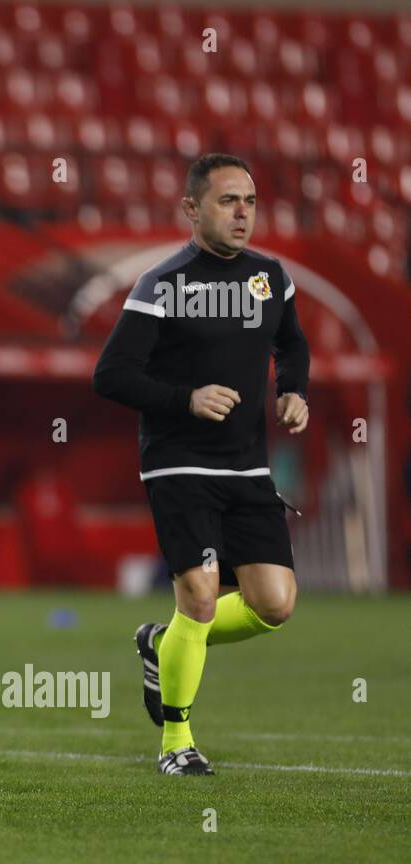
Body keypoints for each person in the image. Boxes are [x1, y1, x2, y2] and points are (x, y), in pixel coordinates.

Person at [93, 153, 310, 775]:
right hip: (178, 461)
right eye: (227, 201)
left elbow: (292, 342)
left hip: (246, 466)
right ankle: (177, 743)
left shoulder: (271, 278)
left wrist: (294, 390)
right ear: (192, 209)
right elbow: (111, 375)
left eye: (249, 201)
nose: (242, 214)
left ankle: (162, 644)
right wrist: (185, 400)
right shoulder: (163, 284)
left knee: (275, 604)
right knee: (201, 595)